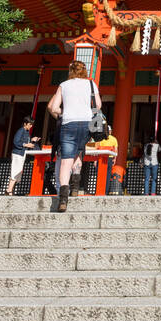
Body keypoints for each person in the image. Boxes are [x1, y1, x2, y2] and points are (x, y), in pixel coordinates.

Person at [44, 61, 101, 212]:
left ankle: (63, 199)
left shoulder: (64, 85)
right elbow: (98, 105)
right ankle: (75, 187)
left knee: (65, 160)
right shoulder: (91, 84)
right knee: (78, 153)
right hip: (86, 124)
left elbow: (54, 107)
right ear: (84, 71)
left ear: (70, 71)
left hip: (69, 123)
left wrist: (64, 114)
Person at [4, 115, 35, 195]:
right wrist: (26, 145)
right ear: (25, 124)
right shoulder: (21, 130)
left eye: (31, 124)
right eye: (30, 124)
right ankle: (9, 190)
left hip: (21, 153)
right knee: (15, 170)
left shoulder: (27, 132)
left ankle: (10, 189)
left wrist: (32, 140)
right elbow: (16, 141)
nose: (31, 126)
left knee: (18, 171)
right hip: (17, 153)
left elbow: (24, 141)